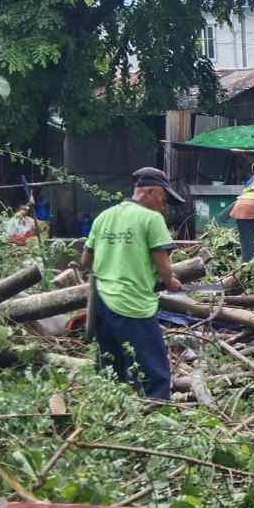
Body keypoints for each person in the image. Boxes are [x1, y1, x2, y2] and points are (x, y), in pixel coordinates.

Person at [81, 167, 184, 399]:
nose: (163, 205)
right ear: (150, 191)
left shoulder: (104, 216)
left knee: (111, 366)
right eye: (163, 198)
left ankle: (111, 408)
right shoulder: (151, 219)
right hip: (133, 303)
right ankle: (157, 412)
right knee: (154, 369)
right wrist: (171, 282)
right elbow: (163, 266)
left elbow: (86, 261)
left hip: (102, 302)